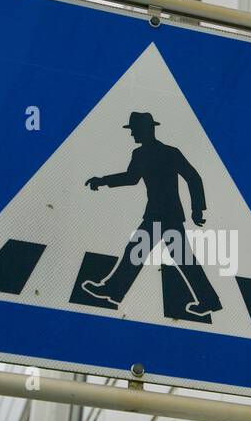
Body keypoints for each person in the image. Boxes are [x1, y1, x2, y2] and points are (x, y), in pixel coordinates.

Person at [82, 111, 222, 319]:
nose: (133, 135)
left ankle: (113, 290)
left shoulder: (158, 153)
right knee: (158, 254)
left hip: (163, 215)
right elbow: (134, 178)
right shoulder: (152, 153)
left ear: (146, 130)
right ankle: (209, 300)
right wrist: (102, 180)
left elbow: (191, 177)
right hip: (163, 213)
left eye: (135, 130)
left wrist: (197, 208)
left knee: (150, 253)